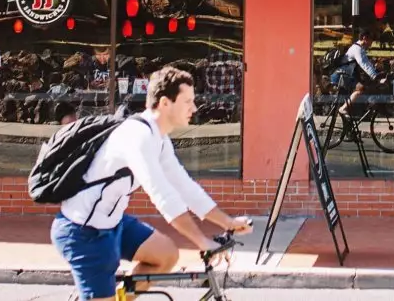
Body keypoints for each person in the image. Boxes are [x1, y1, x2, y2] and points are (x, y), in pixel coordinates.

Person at [51, 66, 252, 301]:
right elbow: (162, 194)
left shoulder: (159, 138)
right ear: (165, 103)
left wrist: (227, 222)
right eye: (187, 101)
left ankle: (121, 298)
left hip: (113, 223)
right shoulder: (138, 136)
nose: (194, 108)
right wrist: (201, 241)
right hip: (82, 232)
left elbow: (183, 186)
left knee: (166, 255)